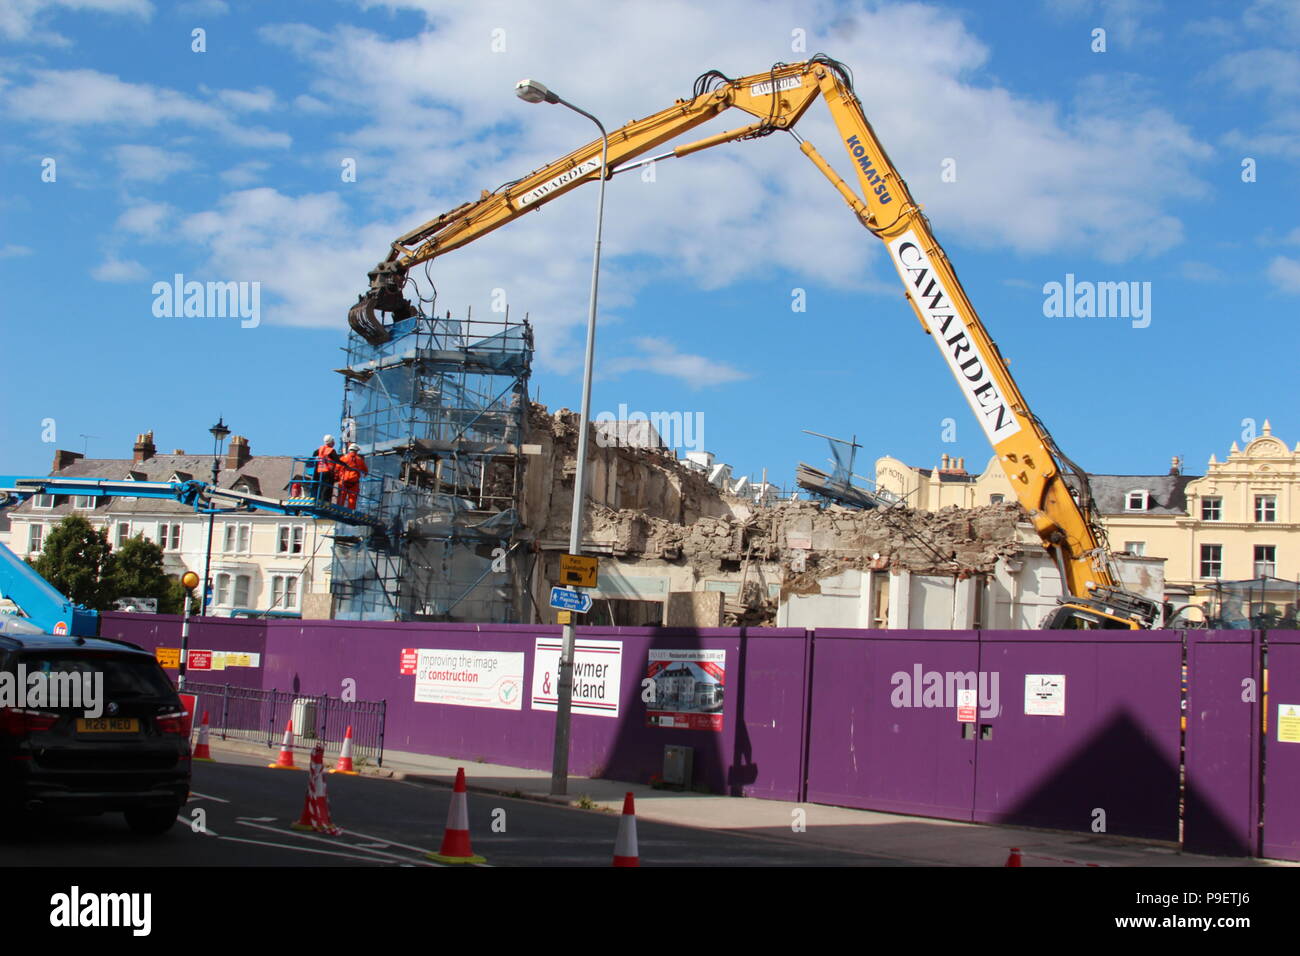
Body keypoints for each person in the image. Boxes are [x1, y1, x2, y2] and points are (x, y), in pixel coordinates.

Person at [338, 443, 368, 510]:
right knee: (352, 499)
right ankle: (351, 512)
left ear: (349, 450)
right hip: (354, 482)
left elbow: (337, 468)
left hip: (343, 481)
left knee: (341, 498)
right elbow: (366, 471)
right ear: (356, 451)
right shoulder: (360, 460)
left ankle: (338, 509)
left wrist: (337, 476)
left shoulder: (343, 458)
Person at [314, 434, 341, 504]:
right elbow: (337, 460)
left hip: (319, 470)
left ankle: (319, 500)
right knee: (327, 487)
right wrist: (346, 465)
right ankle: (325, 501)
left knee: (321, 486)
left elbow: (314, 454)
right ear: (331, 442)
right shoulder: (331, 450)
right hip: (328, 471)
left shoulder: (320, 449)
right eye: (333, 441)